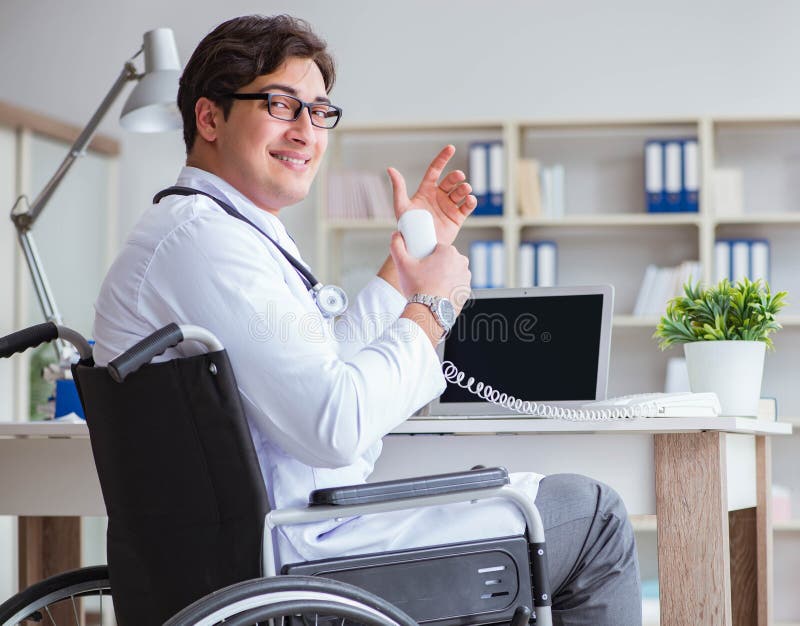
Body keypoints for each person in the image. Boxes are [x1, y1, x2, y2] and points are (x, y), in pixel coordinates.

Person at [93, 14, 641, 625]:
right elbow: (336, 424)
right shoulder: (204, 242)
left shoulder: (217, 232)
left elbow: (318, 365)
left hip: (288, 546)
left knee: (539, 507)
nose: (306, 132)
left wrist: (402, 273)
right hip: (302, 564)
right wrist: (431, 310)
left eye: (320, 112)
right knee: (593, 517)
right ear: (210, 117)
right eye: (281, 105)